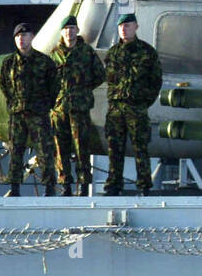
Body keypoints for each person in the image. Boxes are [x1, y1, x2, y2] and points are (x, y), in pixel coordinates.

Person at [102, 12, 162, 196]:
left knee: (140, 147)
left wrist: (143, 102)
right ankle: (114, 184)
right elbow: (108, 80)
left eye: (127, 26)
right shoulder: (113, 53)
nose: (123, 29)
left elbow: (156, 80)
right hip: (116, 108)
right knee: (114, 148)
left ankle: (144, 184)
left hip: (137, 107)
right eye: (121, 26)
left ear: (135, 27)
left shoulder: (147, 51)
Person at [0, 22, 59, 197]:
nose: (21, 39)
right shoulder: (9, 63)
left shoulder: (44, 61)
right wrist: (13, 101)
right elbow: (4, 84)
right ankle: (15, 187)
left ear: (32, 37)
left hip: (38, 113)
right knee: (16, 151)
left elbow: (54, 85)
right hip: (17, 114)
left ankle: (49, 187)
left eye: (24, 36)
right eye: (18, 36)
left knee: (45, 151)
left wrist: (45, 103)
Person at [51, 15, 106, 197]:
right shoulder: (55, 54)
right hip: (59, 110)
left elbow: (99, 74)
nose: (69, 31)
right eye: (66, 28)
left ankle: (83, 185)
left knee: (82, 147)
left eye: (73, 28)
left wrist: (84, 89)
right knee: (61, 149)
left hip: (80, 109)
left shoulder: (86, 52)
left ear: (77, 31)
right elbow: (47, 80)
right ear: (62, 32)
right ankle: (65, 184)